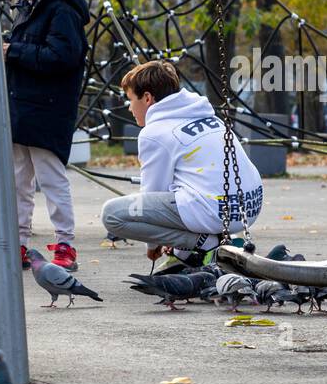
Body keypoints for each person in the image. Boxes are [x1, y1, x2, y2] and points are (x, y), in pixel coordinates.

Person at [101, 60, 264, 265]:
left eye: (131, 100)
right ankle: (189, 250)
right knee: (180, 192)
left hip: (213, 212)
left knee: (112, 214)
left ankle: (202, 242)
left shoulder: (154, 133)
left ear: (147, 98)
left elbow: (151, 193)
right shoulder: (206, 114)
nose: (130, 108)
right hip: (247, 208)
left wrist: (153, 244)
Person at [1, 0, 89, 271]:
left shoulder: (61, 9)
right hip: (26, 108)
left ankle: (65, 243)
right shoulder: (35, 6)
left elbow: (62, 57)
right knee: (20, 180)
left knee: (50, 179)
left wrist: (14, 51)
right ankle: (19, 242)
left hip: (46, 110)